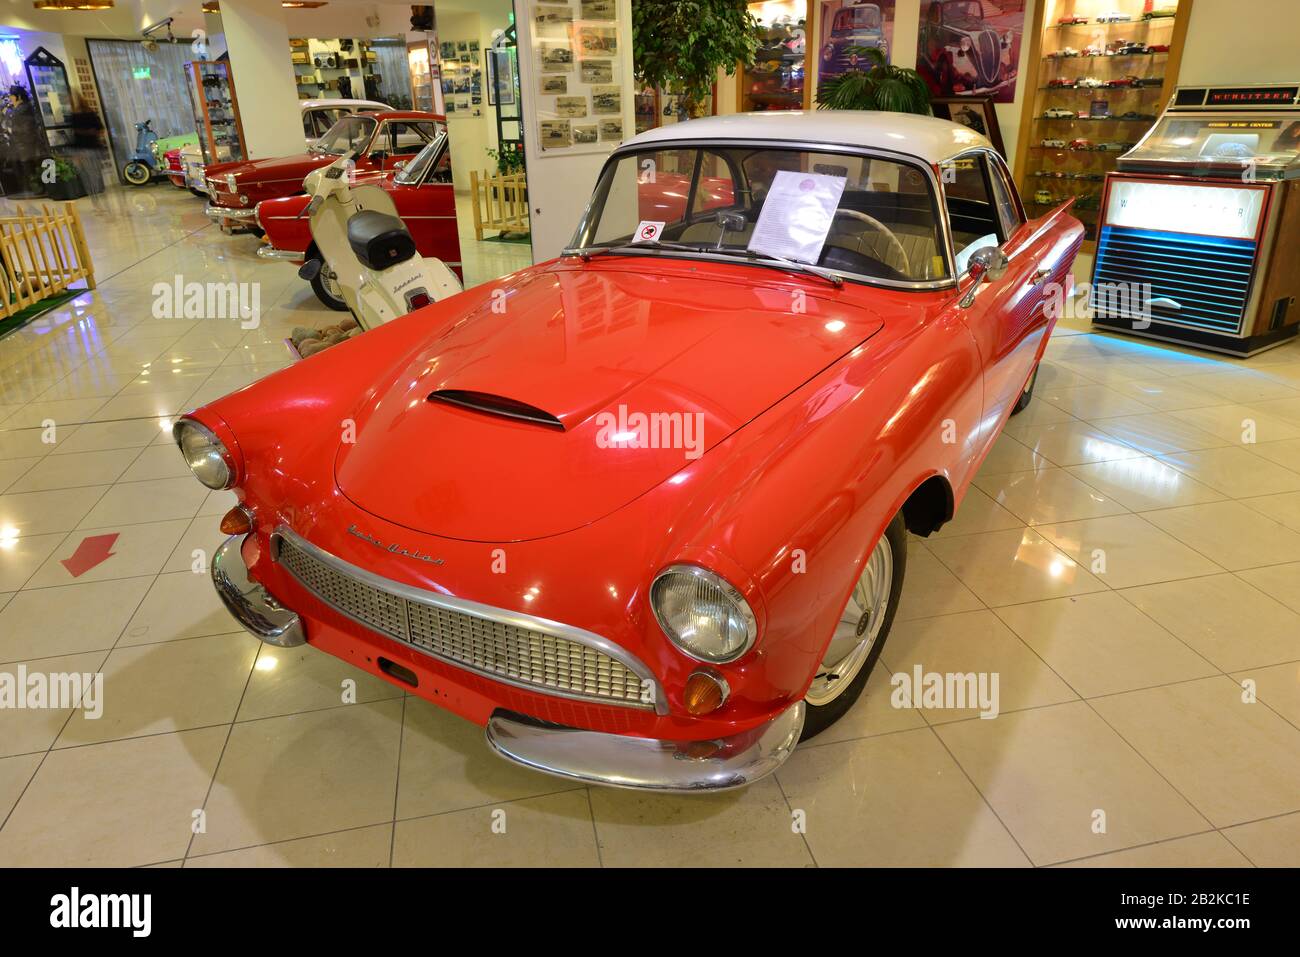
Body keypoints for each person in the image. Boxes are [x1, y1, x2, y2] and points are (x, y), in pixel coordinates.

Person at [68, 95, 108, 212]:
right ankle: (98, 202)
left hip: (82, 150)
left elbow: (75, 136)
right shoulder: (92, 114)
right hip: (94, 148)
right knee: (94, 176)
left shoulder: (74, 117)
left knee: (88, 178)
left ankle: (96, 203)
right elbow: (101, 130)